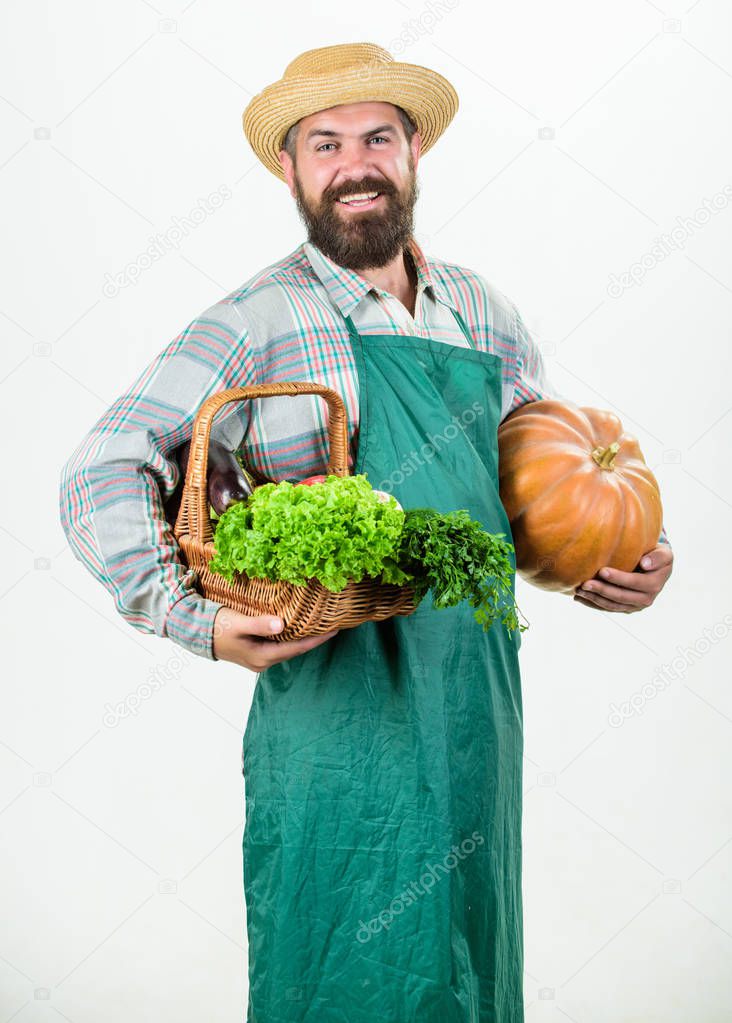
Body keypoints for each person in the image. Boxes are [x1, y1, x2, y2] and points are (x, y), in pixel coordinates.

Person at [58, 41, 673, 1023]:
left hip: (474, 707)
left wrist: (625, 555)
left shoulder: (481, 310)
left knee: (471, 969)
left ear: (414, 150)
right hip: (336, 723)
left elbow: (544, 483)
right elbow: (101, 468)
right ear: (291, 169)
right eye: (326, 144)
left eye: (377, 137)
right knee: (340, 971)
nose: (356, 164)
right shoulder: (257, 320)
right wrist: (192, 620)